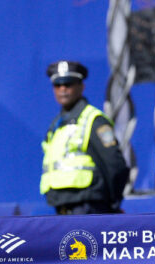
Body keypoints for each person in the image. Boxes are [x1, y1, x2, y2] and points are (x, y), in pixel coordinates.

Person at [41, 61, 129, 215]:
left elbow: (115, 164)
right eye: (57, 85)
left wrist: (112, 203)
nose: (63, 89)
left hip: (89, 206)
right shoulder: (56, 125)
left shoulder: (94, 120)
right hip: (62, 206)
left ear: (81, 87)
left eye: (68, 84)